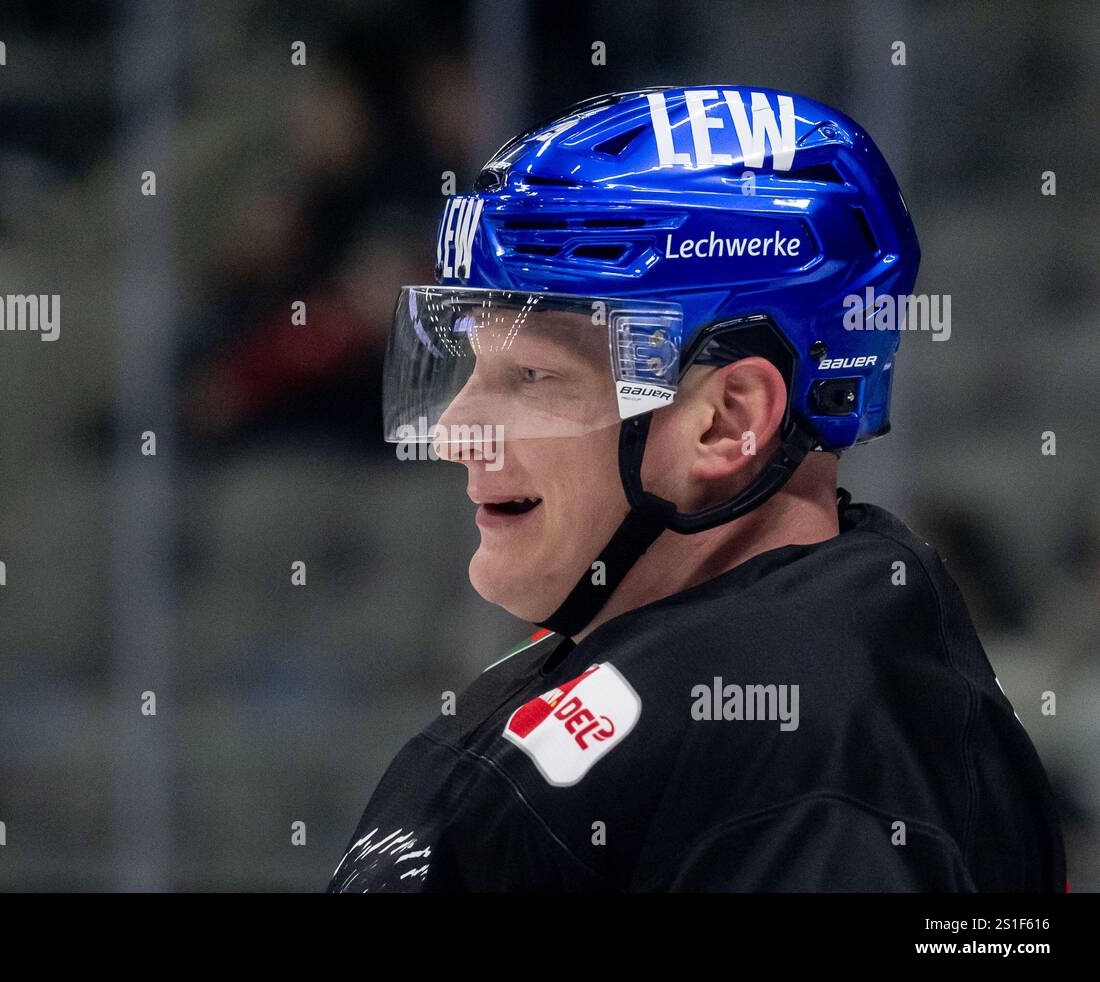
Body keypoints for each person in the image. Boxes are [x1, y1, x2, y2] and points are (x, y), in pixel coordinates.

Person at [328, 86, 1067, 892]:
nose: (454, 433)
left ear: (727, 421)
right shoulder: (685, 661)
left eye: (532, 375)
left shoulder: (803, 759)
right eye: (475, 367)